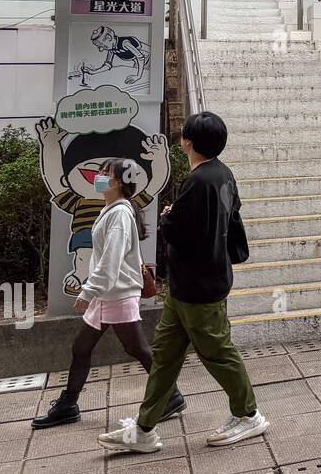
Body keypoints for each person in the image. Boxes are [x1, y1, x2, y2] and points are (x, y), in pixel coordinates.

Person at [99, 112, 268, 454]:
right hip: (188, 287)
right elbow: (227, 215)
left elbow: (186, 233)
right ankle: (145, 428)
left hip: (199, 287)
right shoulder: (222, 174)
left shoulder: (199, 181)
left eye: (182, 137)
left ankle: (248, 413)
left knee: (217, 352)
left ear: (187, 143)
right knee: (164, 355)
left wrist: (167, 219)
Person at [33, 159, 185, 429]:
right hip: (109, 293)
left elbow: (111, 260)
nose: (99, 176)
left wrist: (88, 291)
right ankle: (68, 404)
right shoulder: (113, 210)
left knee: (136, 348)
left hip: (117, 293)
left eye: (105, 173)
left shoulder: (119, 214)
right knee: (82, 347)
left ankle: (171, 394)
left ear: (118, 182)